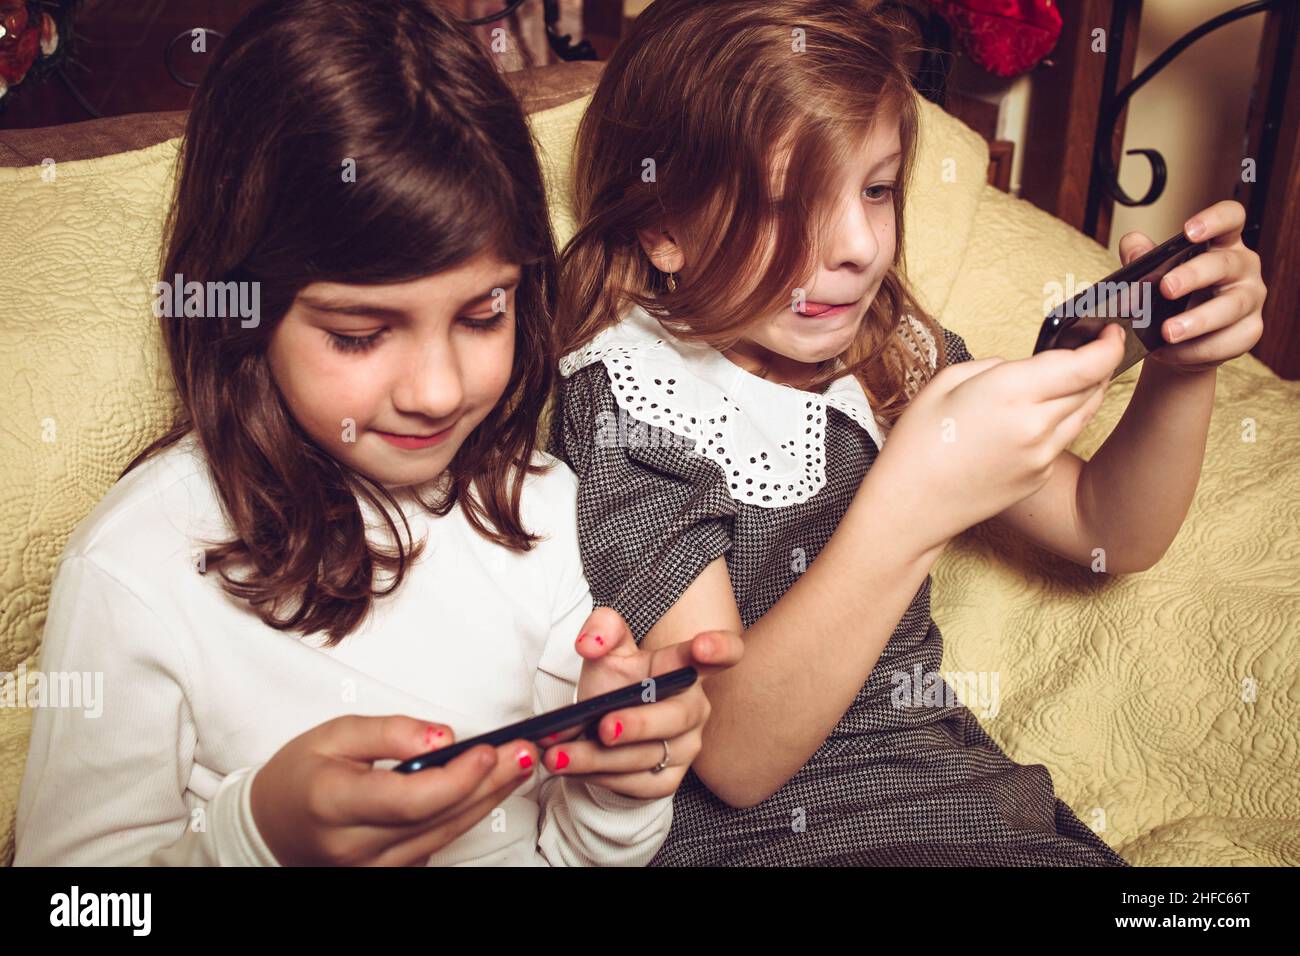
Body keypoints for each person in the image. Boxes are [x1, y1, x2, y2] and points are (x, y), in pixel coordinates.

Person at [14, 0, 741, 867]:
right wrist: (254, 842)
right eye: (358, 335)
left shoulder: (542, 506)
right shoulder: (137, 567)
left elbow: (573, 857)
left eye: (482, 315)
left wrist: (619, 791)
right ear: (241, 306)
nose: (436, 392)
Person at [549, 0, 1267, 865]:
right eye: (788, 201)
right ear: (665, 230)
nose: (858, 244)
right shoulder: (632, 398)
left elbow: (1109, 531)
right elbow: (733, 755)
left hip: (976, 814)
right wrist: (915, 505)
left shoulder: (890, 350)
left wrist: (1182, 369)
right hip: (780, 842)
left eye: (878, 189)